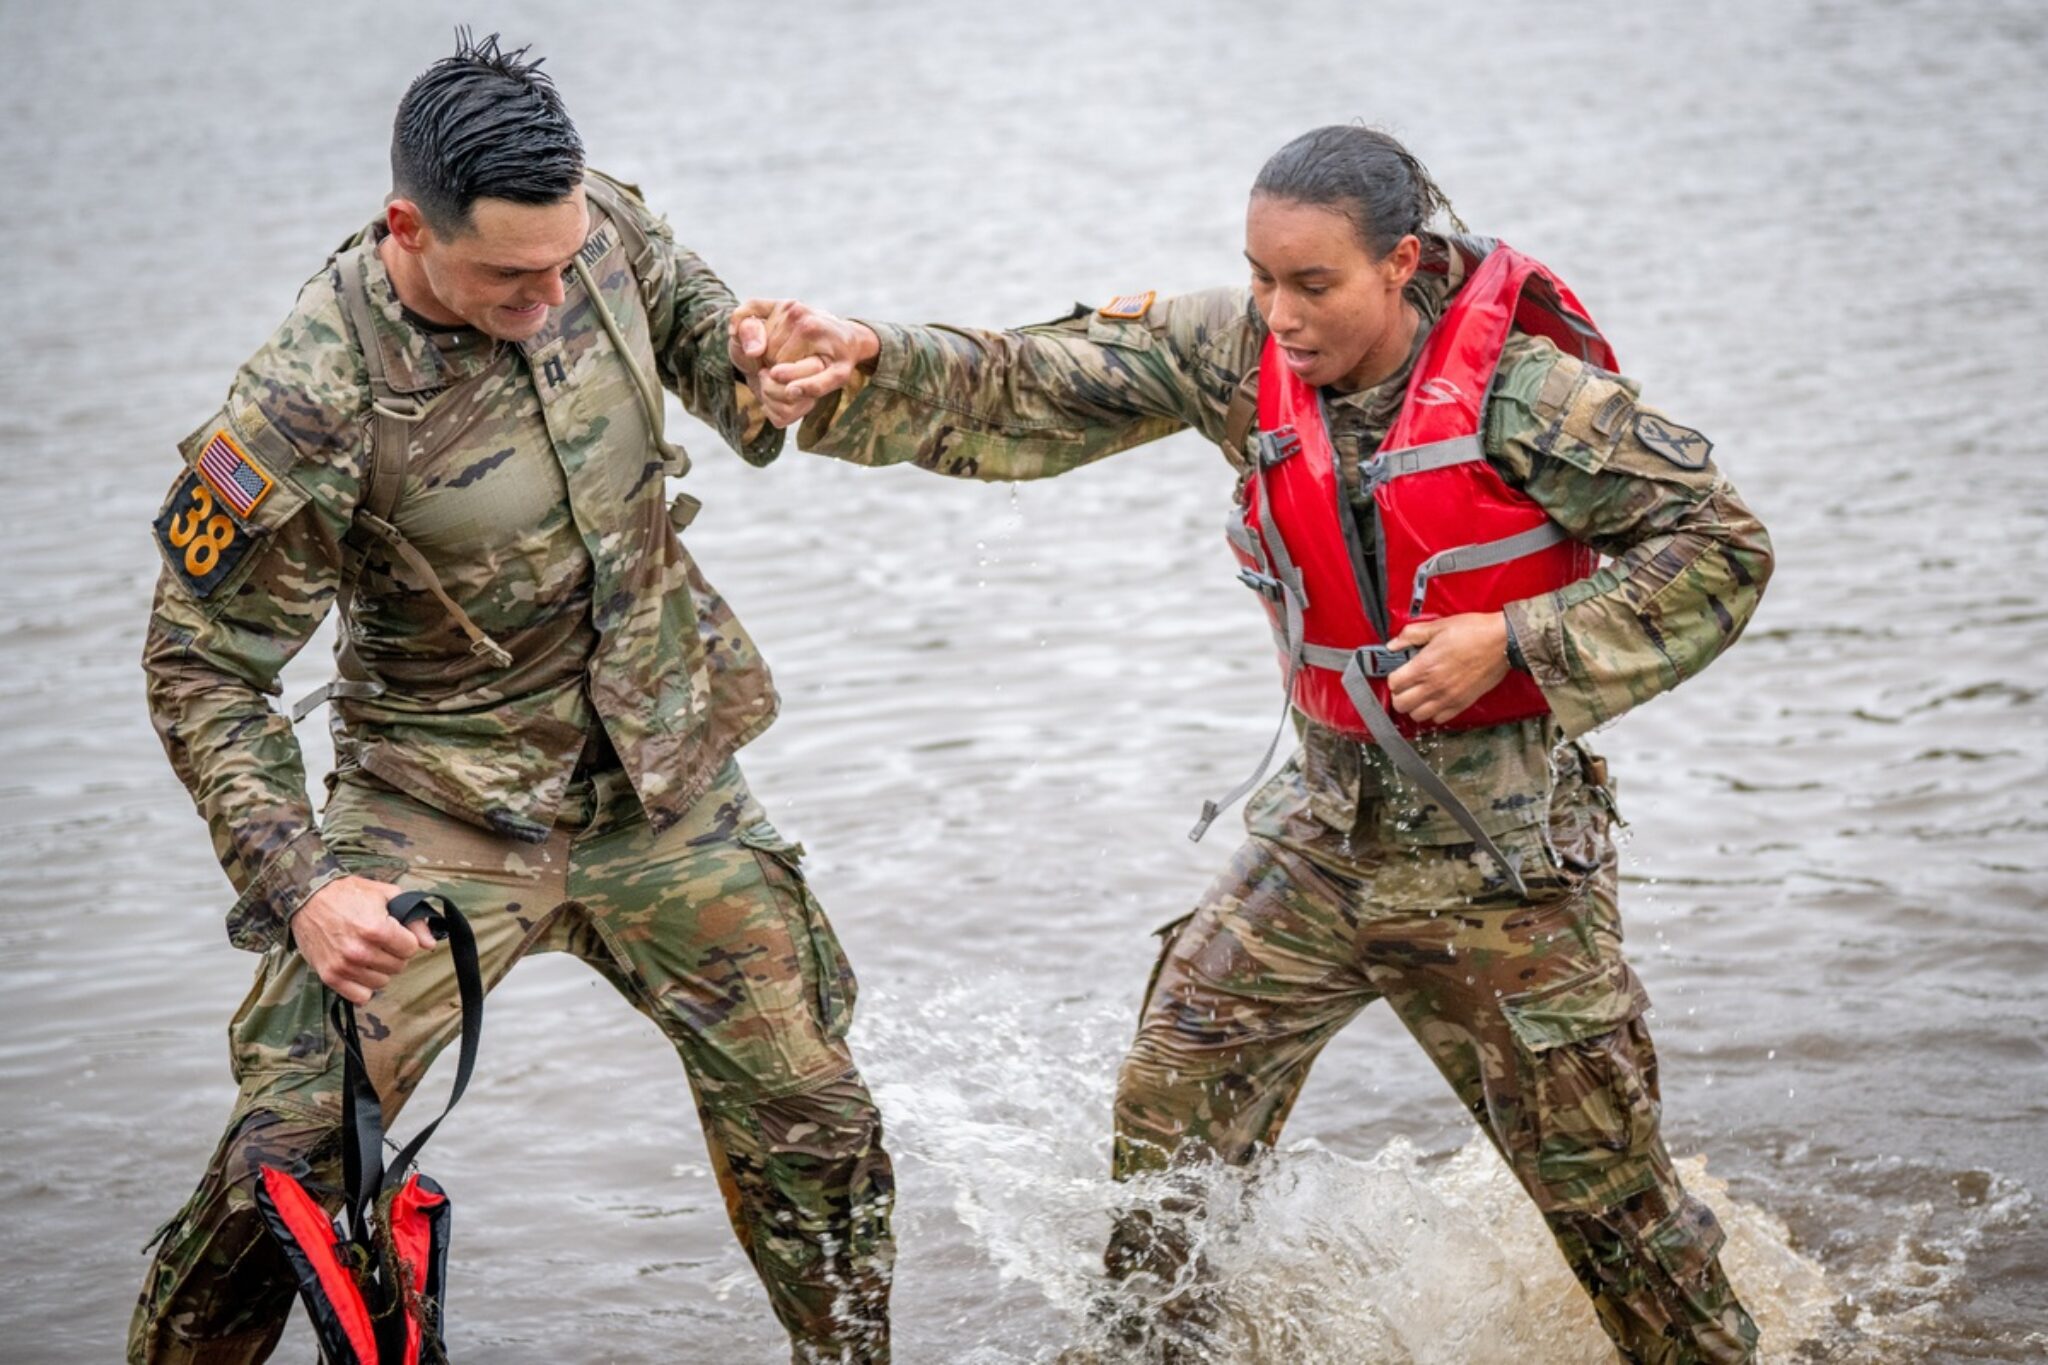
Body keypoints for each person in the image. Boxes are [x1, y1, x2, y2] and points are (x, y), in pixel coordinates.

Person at [729, 125, 1771, 1363]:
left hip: (1500, 861)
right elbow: (1029, 379)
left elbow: (1720, 547)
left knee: (1610, 1211)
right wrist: (866, 353)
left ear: (1399, 264)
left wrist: (1513, 638)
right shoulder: (1237, 351)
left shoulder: (1531, 398)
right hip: (1320, 839)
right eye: (1260, 276)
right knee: (1168, 1115)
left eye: (1312, 284)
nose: (1279, 313)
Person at [132, 34, 892, 1364]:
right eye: (507, 278)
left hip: (660, 783)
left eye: (564, 261)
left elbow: (713, 345)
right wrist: (305, 887)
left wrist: (771, 362)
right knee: (288, 1164)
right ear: (407, 229)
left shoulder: (600, 233)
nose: (549, 295)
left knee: (819, 1126)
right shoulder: (308, 399)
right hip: (437, 809)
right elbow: (203, 664)